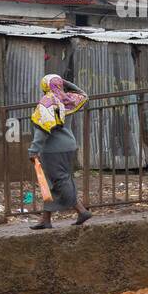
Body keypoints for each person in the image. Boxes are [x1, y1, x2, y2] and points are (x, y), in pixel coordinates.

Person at [27, 74, 91, 230]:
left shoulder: (47, 103)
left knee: (60, 181)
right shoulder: (68, 99)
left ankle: (81, 211)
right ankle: (45, 219)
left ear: (44, 87)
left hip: (52, 149)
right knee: (51, 183)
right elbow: (84, 95)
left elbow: (42, 130)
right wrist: (65, 83)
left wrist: (33, 150)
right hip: (68, 145)